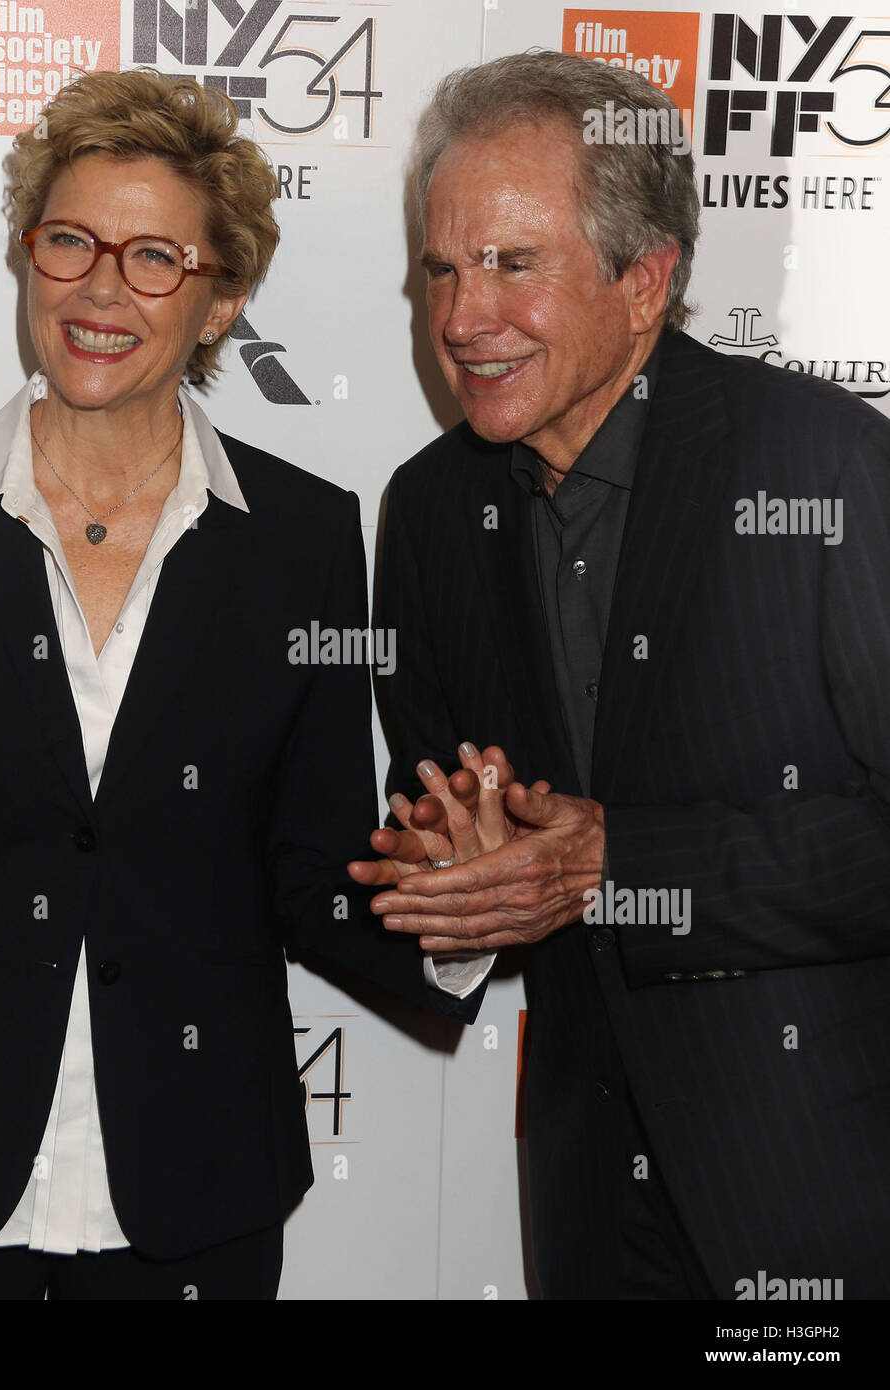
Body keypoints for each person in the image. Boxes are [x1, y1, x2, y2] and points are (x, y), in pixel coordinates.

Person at [0, 68, 486, 1302]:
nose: (102, 288)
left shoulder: (305, 541)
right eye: (72, 240)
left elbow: (315, 873)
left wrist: (456, 918)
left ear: (220, 302)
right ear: (26, 255)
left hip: (194, 1210)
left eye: (157, 256)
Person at [351, 50, 890, 1298]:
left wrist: (619, 864)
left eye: (511, 264)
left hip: (828, 1202)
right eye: (444, 267)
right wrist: (453, 874)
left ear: (645, 282)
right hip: (590, 1210)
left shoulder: (827, 465)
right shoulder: (428, 511)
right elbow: (435, 811)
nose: (461, 317)